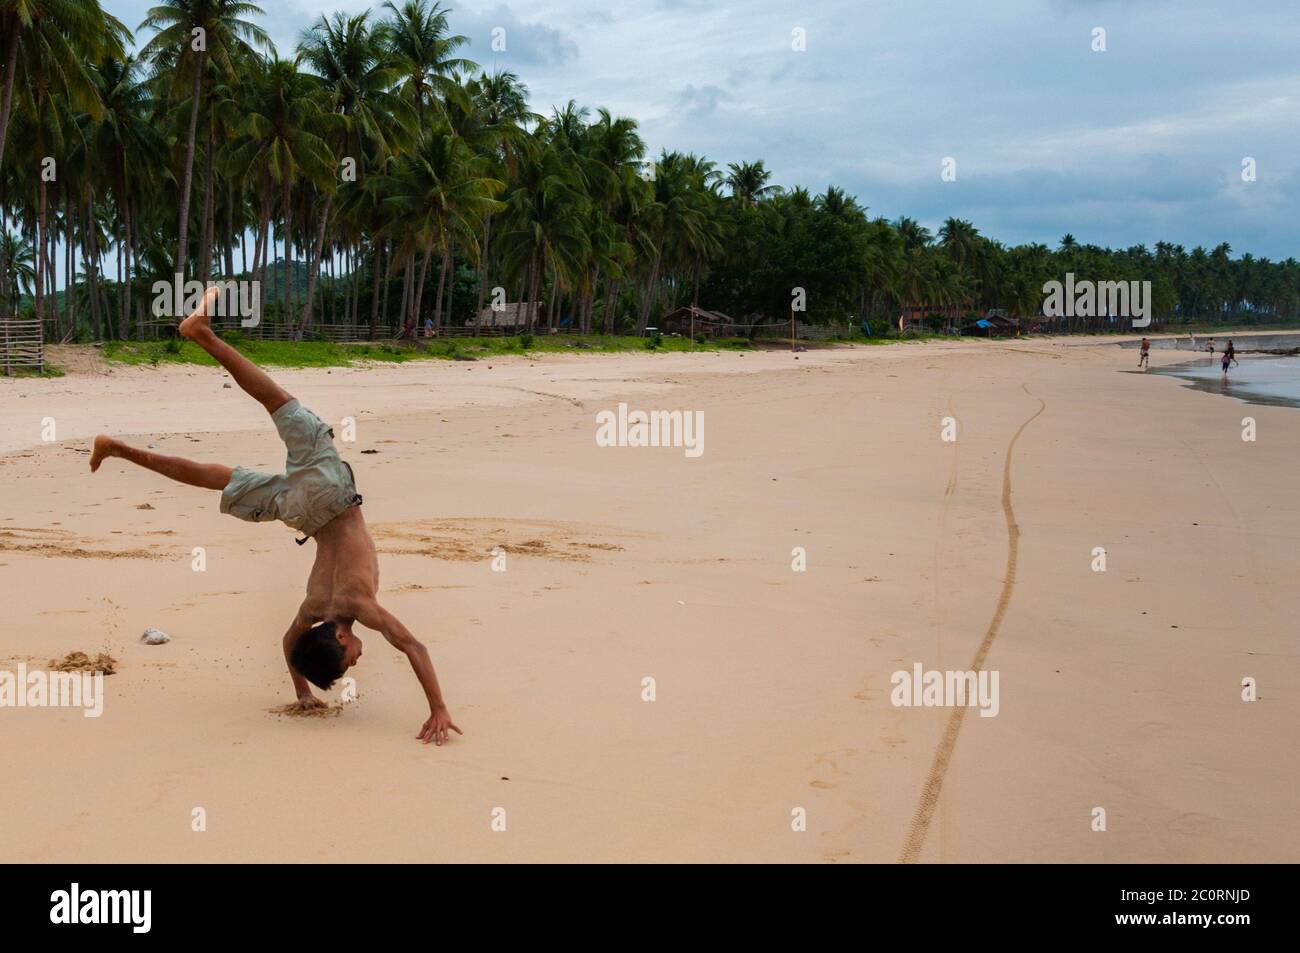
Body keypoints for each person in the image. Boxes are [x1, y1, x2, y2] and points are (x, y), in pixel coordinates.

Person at [89, 286, 462, 745]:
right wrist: (302, 691)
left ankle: (194, 343)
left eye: (347, 665)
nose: (356, 663)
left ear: (340, 640)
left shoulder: (351, 608)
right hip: (301, 513)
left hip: (327, 500)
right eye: (349, 667)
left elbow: (410, 646)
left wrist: (438, 707)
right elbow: (293, 645)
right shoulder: (318, 609)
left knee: (277, 406)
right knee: (228, 468)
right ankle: (124, 444)